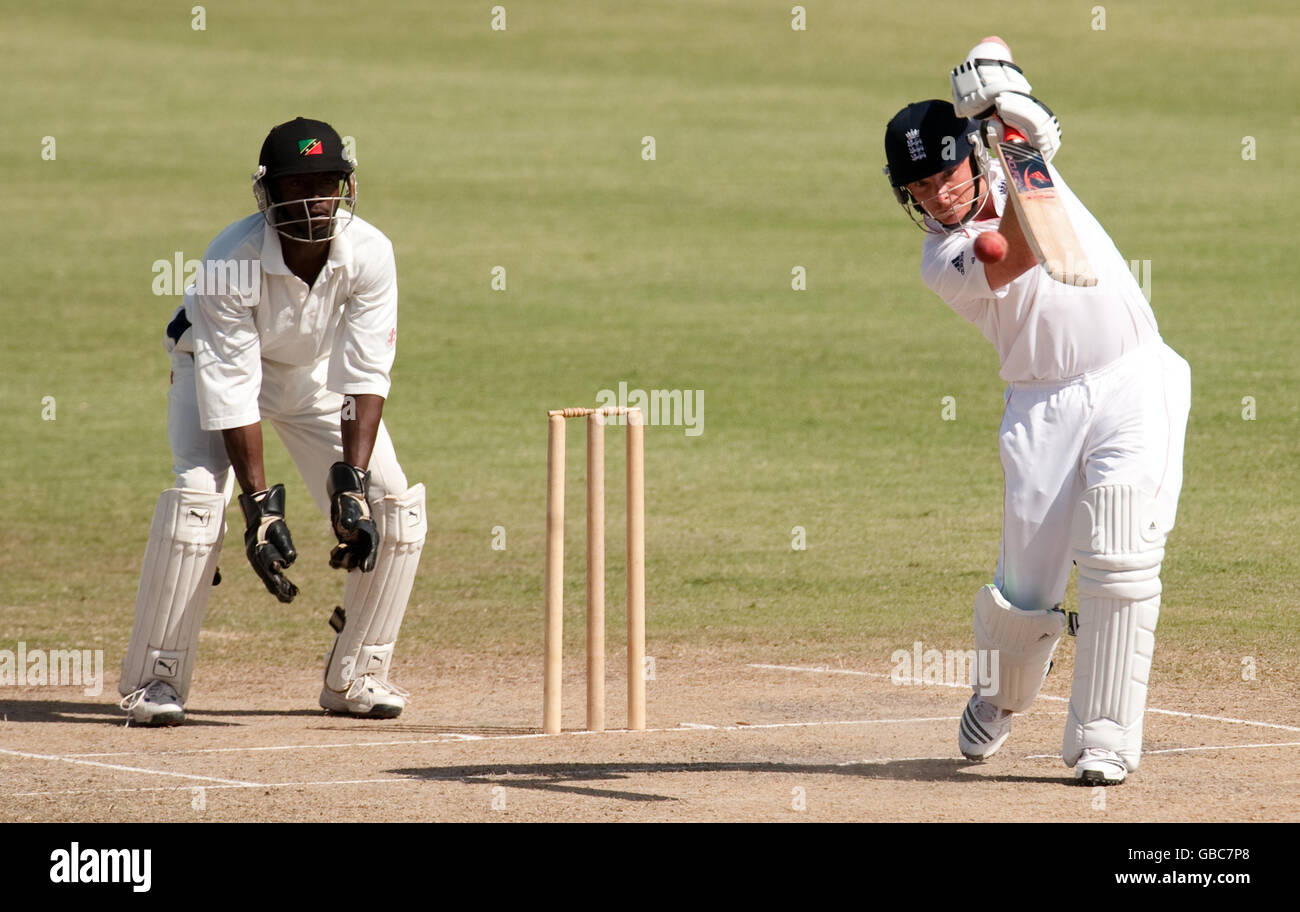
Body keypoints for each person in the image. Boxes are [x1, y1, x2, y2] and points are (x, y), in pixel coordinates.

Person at [882, 39, 1190, 784]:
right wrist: (1032, 161)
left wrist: (1005, 101)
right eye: (918, 187)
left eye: (944, 174)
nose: (936, 195)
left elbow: (993, 51)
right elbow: (1008, 255)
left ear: (973, 156)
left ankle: (1103, 742)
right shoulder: (943, 259)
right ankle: (1001, 693)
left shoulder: (1018, 153)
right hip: (1043, 407)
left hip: (1134, 376)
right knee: (1027, 588)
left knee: (1120, 550)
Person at [119, 117, 427, 725]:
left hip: (310, 378)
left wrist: (352, 486)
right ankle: (154, 681)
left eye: (325, 183)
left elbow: (366, 374)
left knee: (392, 509)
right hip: (210, 366)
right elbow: (233, 391)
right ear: (270, 193)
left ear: (345, 187)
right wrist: (259, 508)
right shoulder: (228, 260)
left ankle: (357, 675)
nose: (313, 198)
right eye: (297, 184)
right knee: (198, 500)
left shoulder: (370, 251)